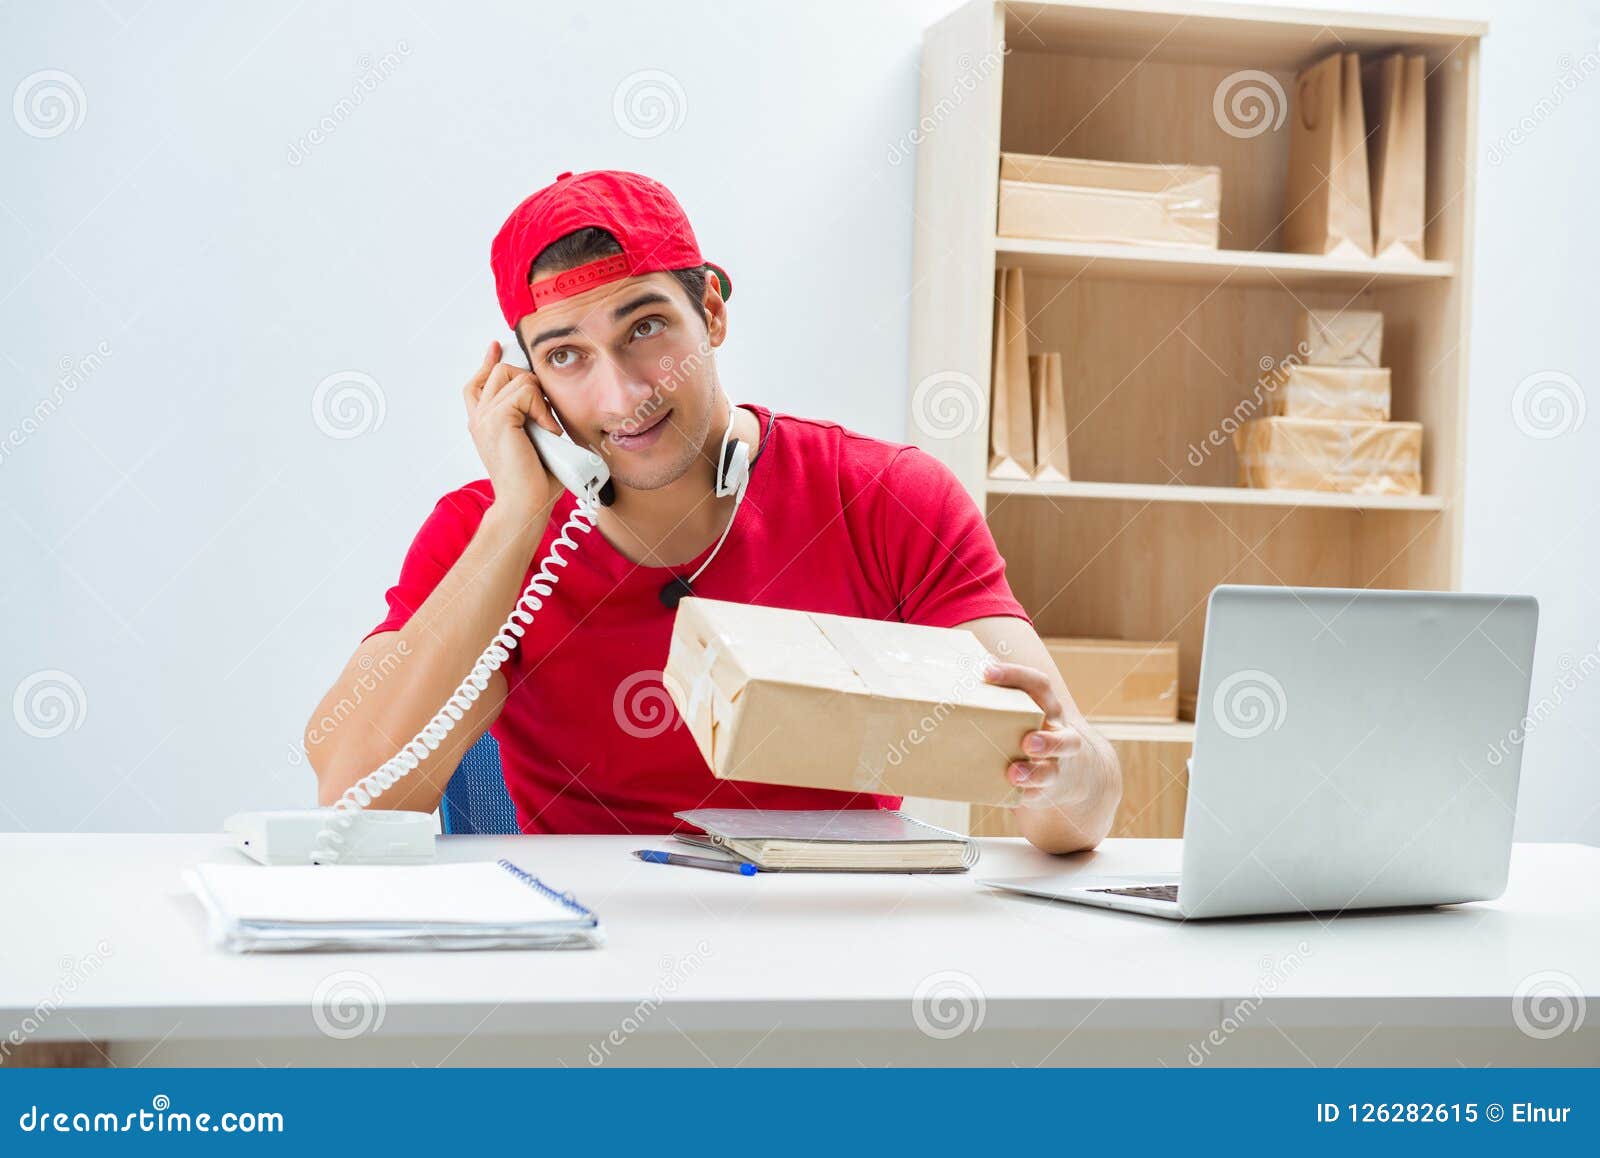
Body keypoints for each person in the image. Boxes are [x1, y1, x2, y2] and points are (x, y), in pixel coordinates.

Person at [305, 169, 1120, 852]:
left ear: (714, 312)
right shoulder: (485, 532)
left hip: (837, 947)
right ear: (528, 383)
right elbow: (352, 801)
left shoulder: (886, 497)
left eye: (647, 327)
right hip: (596, 961)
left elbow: (1071, 797)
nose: (620, 394)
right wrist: (520, 516)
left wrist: (1069, 771)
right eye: (565, 356)